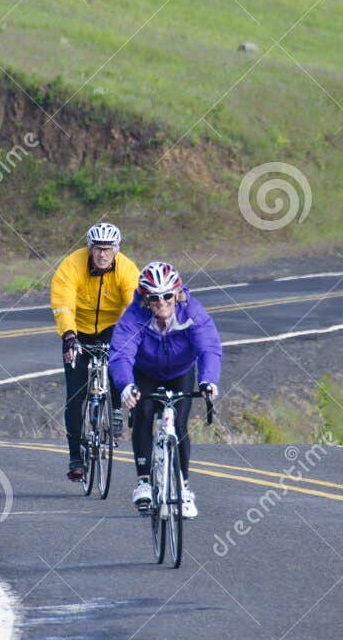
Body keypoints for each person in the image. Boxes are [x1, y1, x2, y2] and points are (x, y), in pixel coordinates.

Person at [110, 261, 222, 518]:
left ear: (177, 293)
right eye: (154, 298)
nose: (162, 303)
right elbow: (121, 353)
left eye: (167, 296)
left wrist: (208, 381)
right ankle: (143, 482)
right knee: (143, 415)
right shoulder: (134, 316)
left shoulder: (192, 311)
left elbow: (209, 348)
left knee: (179, 425)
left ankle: (183, 488)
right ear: (144, 298)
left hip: (180, 372)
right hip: (144, 372)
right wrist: (126, 385)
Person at [50, 222, 140, 482]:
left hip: (114, 326)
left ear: (116, 250)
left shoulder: (126, 268)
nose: (103, 254)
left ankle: (114, 409)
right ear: (89, 248)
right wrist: (68, 335)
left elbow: (133, 304)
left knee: (118, 361)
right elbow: (63, 301)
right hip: (78, 328)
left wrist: (125, 338)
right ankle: (75, 458)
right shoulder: (72, 265)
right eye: (98, 249)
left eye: (108, 249)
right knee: (75, 395)